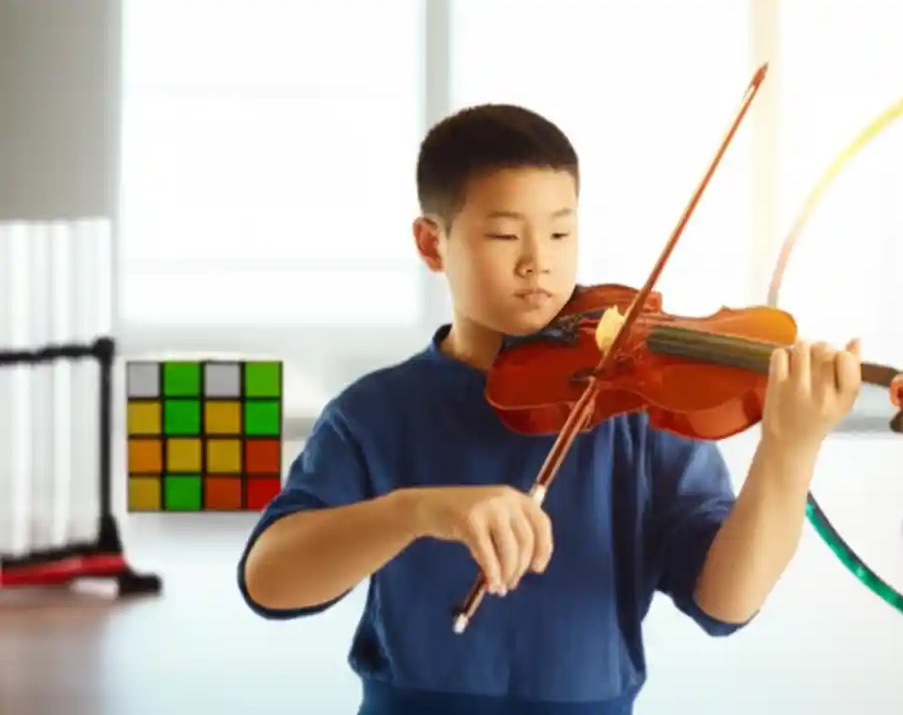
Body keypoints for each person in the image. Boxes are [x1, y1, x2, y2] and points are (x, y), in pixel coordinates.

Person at [237, 103, 862, 714]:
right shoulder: (374, 412)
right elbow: (269, 581)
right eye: (506, 234)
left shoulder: (638, 403)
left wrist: (790, 448)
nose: (539, 261)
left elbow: (726, 602)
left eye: (562, 232)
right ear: (432, 243)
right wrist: (418, 510)